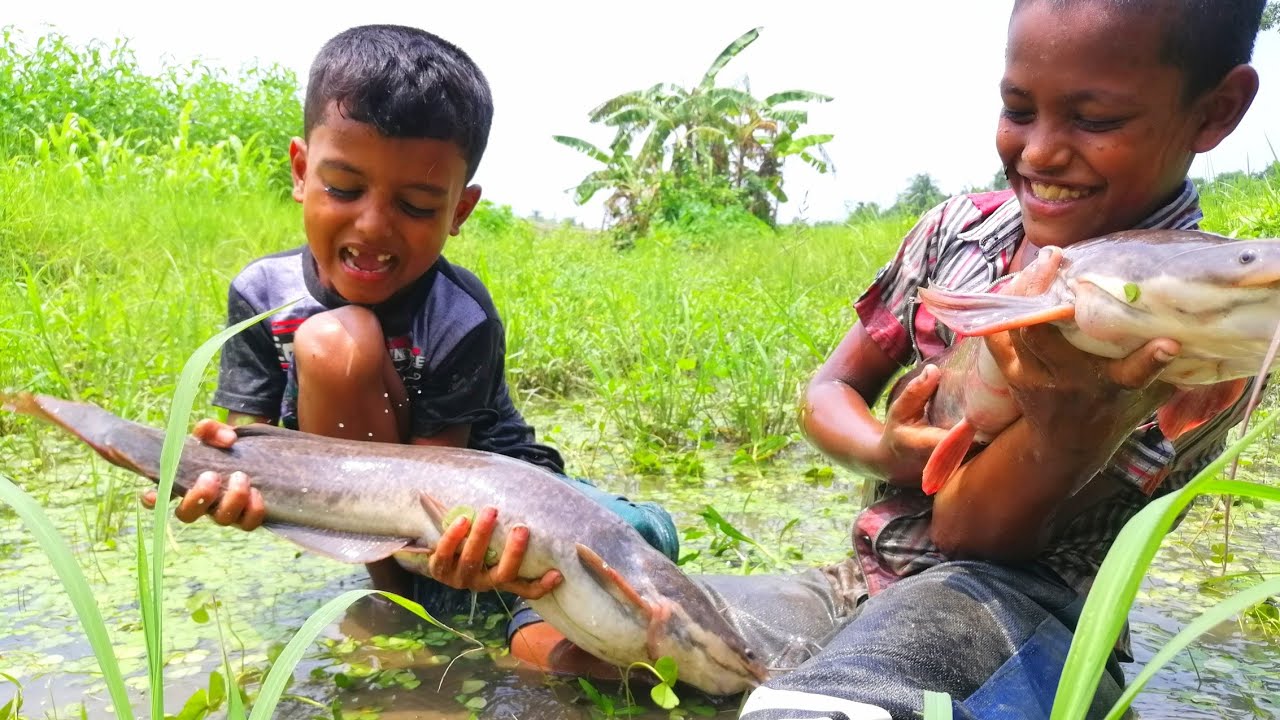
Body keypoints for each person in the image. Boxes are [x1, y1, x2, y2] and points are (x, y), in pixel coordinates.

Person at [731, 1, 1268, 718]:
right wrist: (886, 449)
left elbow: (968, 535)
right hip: (859, 583)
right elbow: (830, 389)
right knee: (591, 612)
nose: (1041, 151)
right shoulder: (957, 231)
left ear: (1216, 111)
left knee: (829, 708)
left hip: (1023, 611)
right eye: (1019, 108)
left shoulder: (1204, 344)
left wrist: (1067, 433)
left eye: (1096, 119)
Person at [141, 23, 678, 666]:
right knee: (335, 341)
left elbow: (439, 480)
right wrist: (221, 481)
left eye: (418, 205)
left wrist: (475, 564)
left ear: (460, 210)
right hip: (392, 534)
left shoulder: (461, 314)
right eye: (344, 188)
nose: (373, 225)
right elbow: (254, 444)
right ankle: (408, 602)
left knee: (604, 612)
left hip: (502, 512)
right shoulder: (263, 295)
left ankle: (461, 602)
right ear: (300, 171)